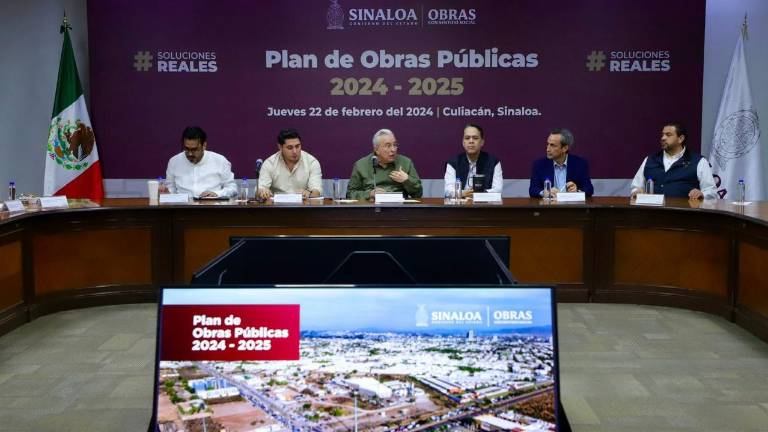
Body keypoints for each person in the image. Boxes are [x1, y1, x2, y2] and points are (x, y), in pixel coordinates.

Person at [630, 122, 717, 200]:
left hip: (685, 211)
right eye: (662, 135)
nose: (663, 138)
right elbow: (636, 187)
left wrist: (701, 194)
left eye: (668, 135)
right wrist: (637, 192)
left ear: (680, 139)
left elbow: (711, 191)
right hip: (652, 211)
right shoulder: (650, 160)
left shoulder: (699, 161)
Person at [347, 129, 423, 200]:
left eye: (395, 145)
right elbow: (350, 194)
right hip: (371, 207)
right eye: (388, 146)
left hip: (399, 207)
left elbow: (418, 194)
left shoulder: (405, 162)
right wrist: (370, 194)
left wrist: (407, 180)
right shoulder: (361, 165)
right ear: (376, 149)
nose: (393, 149)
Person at [165, 126, 237, 198]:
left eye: (194, 149)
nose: (190, 154)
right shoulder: (174, 162)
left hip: (211, 203)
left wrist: (217, 194)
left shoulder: (220, 161)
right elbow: (170, 188)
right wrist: (166, 192)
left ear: (204, 145)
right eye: (186, 149)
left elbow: (233, 189)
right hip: (183, 204)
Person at [257, 129, 323, 200]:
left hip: (304, 204)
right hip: (277, 205)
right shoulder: (270, 163)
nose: (295, 151)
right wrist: (263, 191)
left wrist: (310, 193)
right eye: (290, 148)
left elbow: (316, 191)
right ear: (280, 147)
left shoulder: (311, 162)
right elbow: (261, 189)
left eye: (297, 146)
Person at [529, 128, 594, 198]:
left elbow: (589, 189)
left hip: (571, 204)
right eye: (548, 144)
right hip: (550, 204)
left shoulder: (580, 163)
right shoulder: (539, 164)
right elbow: (533, 190)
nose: (548, 149)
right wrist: (544, 193)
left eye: (552, 145)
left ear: (565, 148)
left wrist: (576, 191)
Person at [444, 123, 503, 198]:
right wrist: (463, 193)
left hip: (485, 203)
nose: (471, 141)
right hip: (460, 203)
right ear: (463, 142)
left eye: (475, 138)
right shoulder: (453, 163)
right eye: (467, 138)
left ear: (482, 142)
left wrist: (479, 193)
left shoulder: (493, 162)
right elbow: (448, 191)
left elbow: (498, 190)